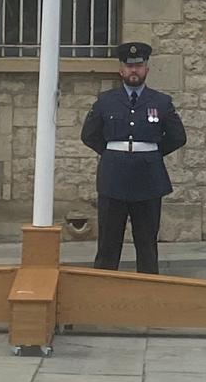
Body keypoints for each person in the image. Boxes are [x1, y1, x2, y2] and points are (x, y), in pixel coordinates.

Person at [80, 40, 186, 275]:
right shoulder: (106, 101)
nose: (134, 71)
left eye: (138, 66)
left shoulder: (161, 102)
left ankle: (148, 294)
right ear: (121, 70)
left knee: (147, 243)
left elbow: (178, 137)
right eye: (129, 67)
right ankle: (103, 292)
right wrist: (112, 154)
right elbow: (89, 135)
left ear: (147, 69)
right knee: (108, 244)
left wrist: (151, 155)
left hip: (148, 179)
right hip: (113, 179)